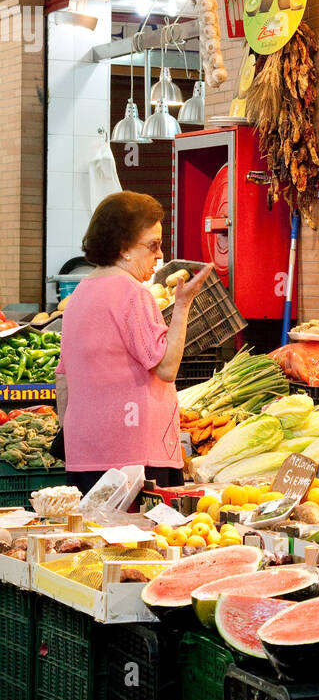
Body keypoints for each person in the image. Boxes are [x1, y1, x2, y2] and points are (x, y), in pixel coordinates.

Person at [55, 191, 213, 494]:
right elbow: (166, 368)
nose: (159, 254)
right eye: (152, 244)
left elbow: (64, 380)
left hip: (85, 459)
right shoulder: (133, 295)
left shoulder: (79, 296)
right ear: (124, 247)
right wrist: (182, 305)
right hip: (136, 460)